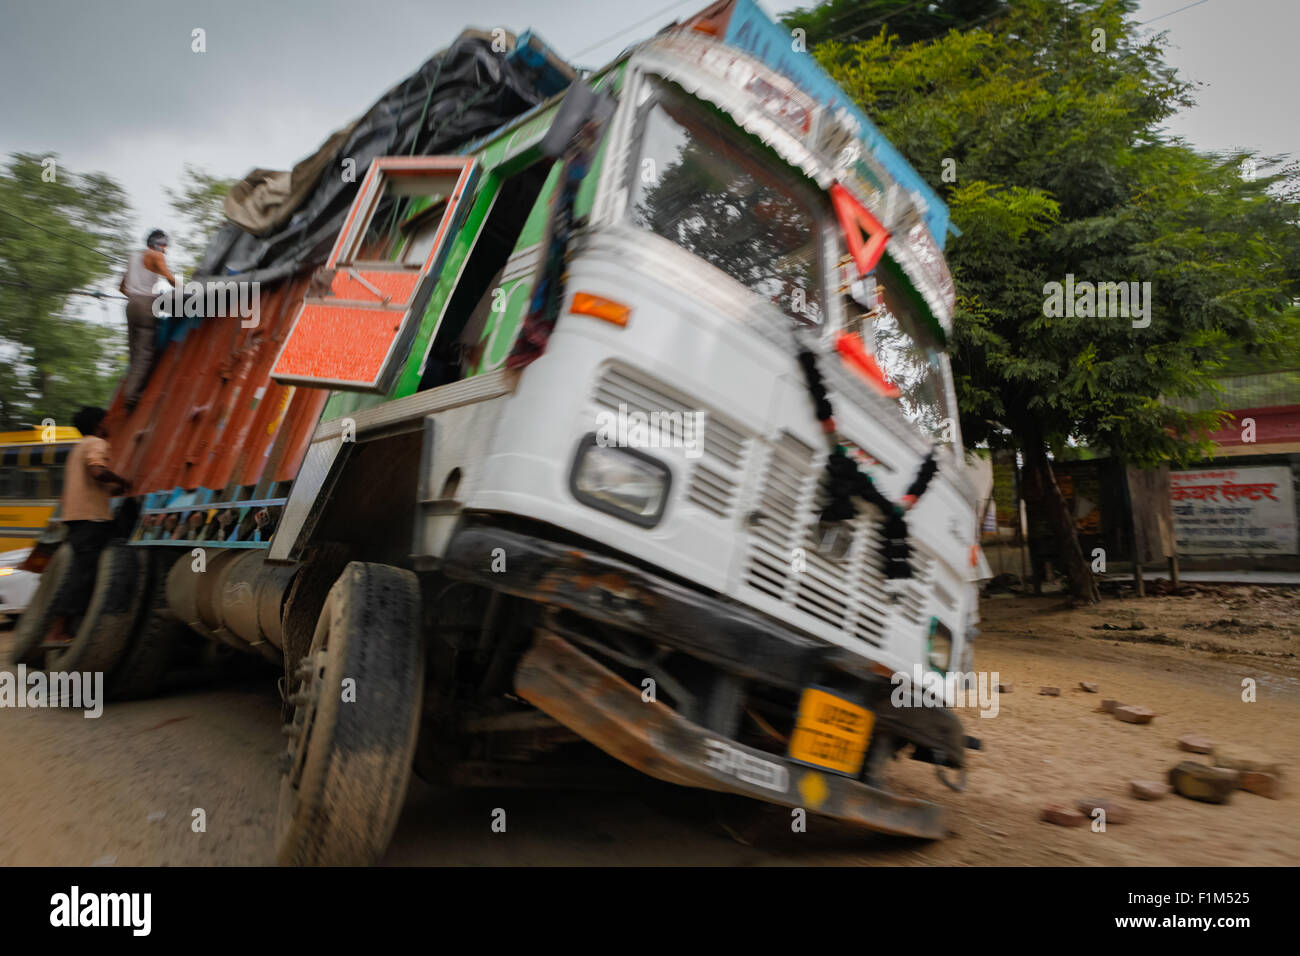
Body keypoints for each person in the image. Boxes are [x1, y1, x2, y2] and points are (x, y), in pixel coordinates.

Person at [44, 407, 132, 646]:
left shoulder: (78, 448)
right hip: (91, 519)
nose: (109, 425)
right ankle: (58, 630)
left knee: (80, 571)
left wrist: (113, 488)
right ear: (97, 424)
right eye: (106, 421)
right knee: (82, 575)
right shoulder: (97, 443)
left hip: (76, 517)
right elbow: (97, 471)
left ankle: (63, 626)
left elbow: (91, 481)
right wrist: (122, 480)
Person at [119, 229, 176, 410]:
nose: (165, 250)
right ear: (159, 244)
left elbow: (122, 287)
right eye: (164, 246)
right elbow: (170, 278)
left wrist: (137, 294)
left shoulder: (133, 257)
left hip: (131, 305)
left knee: (134, 351)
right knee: (145, 353)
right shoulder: (156, 255)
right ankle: (132, 396)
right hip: (146, 305)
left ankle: (130, 390)